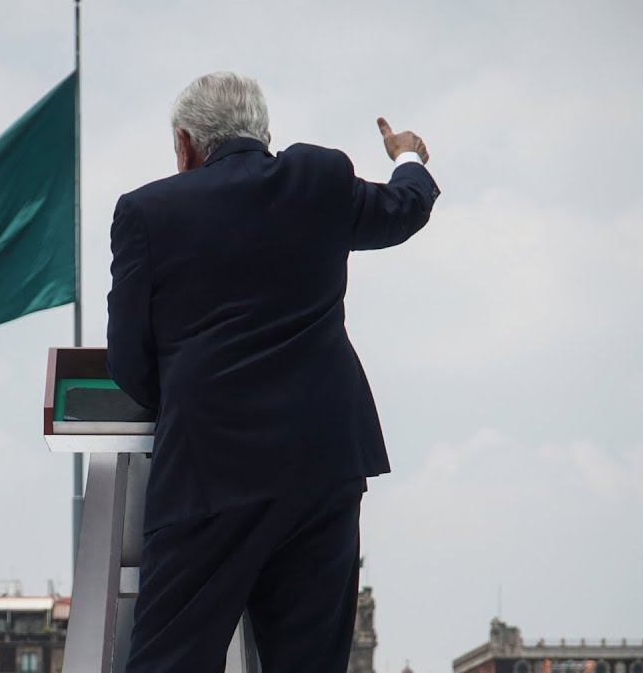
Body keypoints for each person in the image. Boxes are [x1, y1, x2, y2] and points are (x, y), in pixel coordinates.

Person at [107, 72, 438, 673]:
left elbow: (128, 364)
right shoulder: (319, 180)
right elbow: (405, 209)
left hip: (208, 471)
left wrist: (190, 398)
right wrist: (408, 155)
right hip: (325, 464)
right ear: (264, 134)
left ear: (184, 143)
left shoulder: (147, 212)